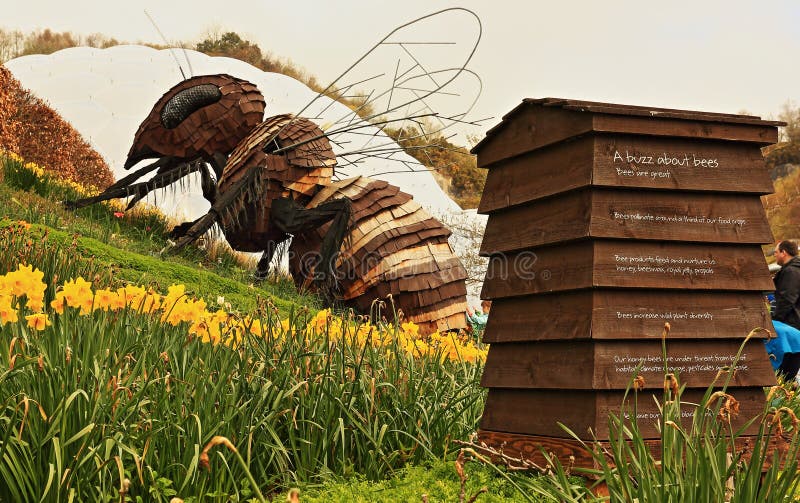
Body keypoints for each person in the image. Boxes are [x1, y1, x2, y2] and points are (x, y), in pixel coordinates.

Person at [772, 240, 800, 330]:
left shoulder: (791, 271)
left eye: (776, 252)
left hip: (791, 325)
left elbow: (787, 299)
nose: (774, 255)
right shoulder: (794, 269)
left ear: (783, 252)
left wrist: (775, 320)